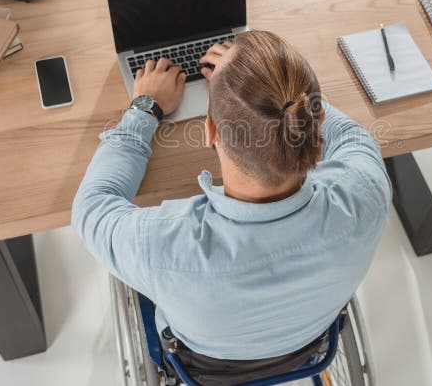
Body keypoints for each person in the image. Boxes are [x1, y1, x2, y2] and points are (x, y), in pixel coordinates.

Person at [72, 30, 391, 365]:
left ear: (210, 131)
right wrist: (262, 84)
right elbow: (352, 136)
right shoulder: (366, 195)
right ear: (317, 120)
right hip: (308, 342)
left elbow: (92, 204)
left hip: (204, 362)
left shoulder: (162, 247)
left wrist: (145, 107)